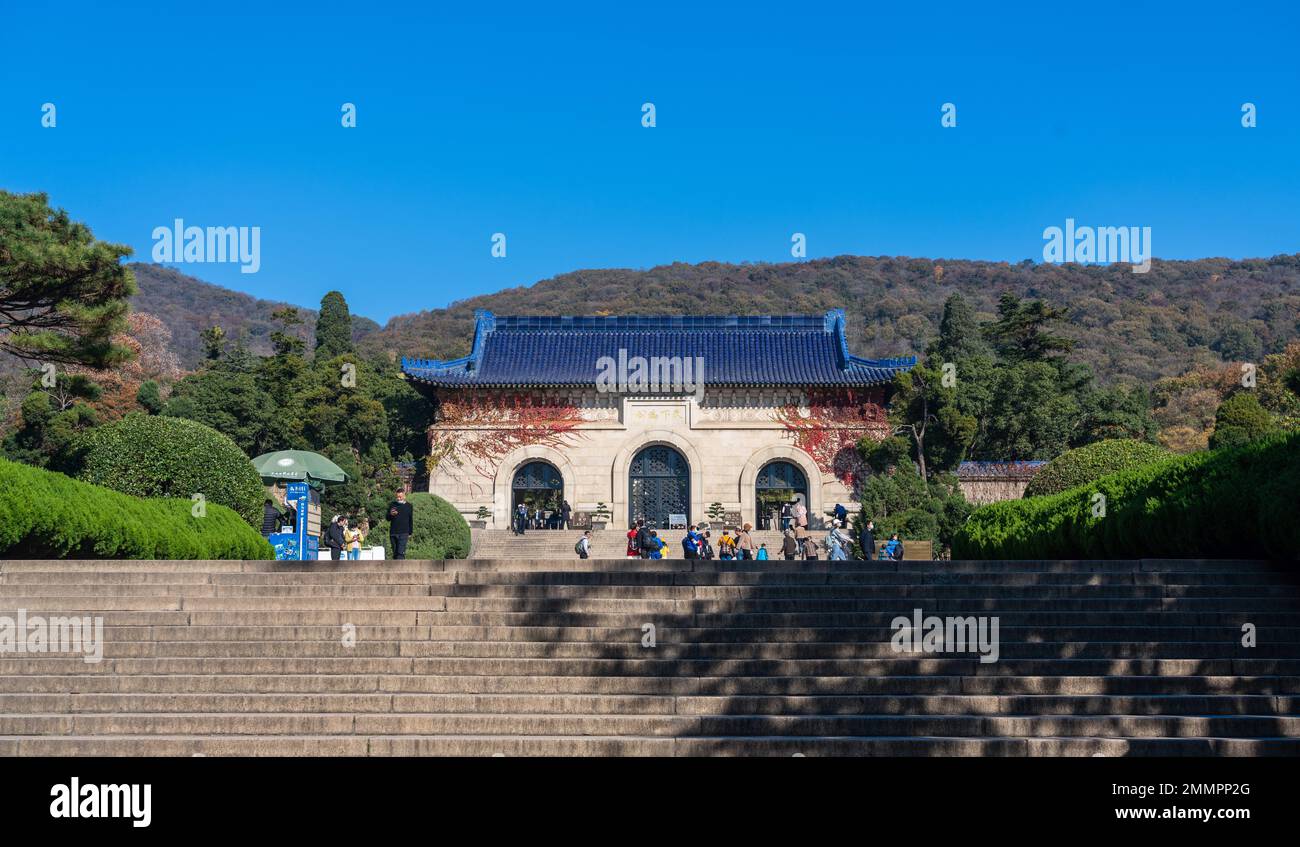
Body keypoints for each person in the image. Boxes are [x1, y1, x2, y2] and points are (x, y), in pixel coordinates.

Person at [387, 490, 414, 560]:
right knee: (395, 553)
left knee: (400, 553)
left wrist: (410, 532)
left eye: (400, 497)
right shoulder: (392, 505)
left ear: (404, 496)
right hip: (393, 532)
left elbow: (410, 519)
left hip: (404, 532)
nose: (398, 498)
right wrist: (391, 514)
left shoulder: (409, 506)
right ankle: (395, 569)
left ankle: (400, 569)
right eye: (397, 497)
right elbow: (387, 518)